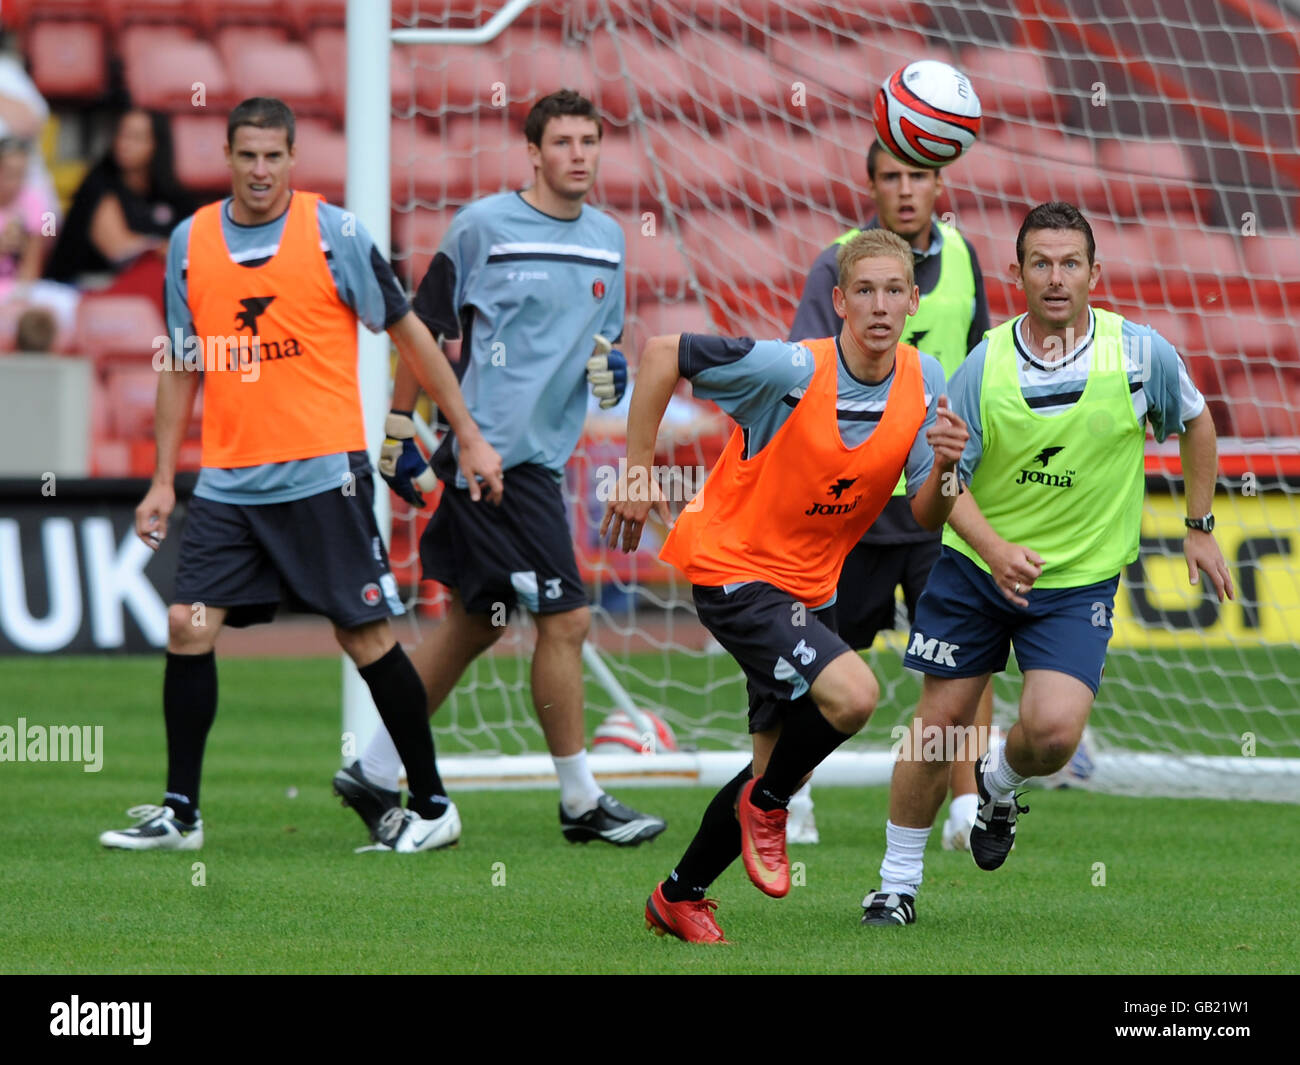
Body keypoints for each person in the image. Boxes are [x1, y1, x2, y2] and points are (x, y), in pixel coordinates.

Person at [99, 97, 503, 854]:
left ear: (293, 157)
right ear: (226, 154)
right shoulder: (189, 243)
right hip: (226, 481)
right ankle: (180, 813)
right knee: (187, 627)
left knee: (366, 638)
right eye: (247, 155)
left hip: (323, 476)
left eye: (273, 156)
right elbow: (182, 366)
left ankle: (433, 804)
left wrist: (467, 435)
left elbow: (407, 331)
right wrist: (161, 480)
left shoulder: (334, 232)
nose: (260, 170)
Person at [859, 201, 1233, 926]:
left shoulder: (1138, 354)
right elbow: (930, 508)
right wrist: (988, 540)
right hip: (975, 570)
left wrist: (1199, 525)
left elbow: (1195, 421)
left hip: (1075, 582)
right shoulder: (984, 365)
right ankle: (895, 883)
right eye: (1040, 263)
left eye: (1069, 263)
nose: (1055, 278)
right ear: (1016, 273)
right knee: (939, 724)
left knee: (1055, 735)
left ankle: (996, 782)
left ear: (1095, 272)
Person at [602, 229, 969, 943]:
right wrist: (641, 469)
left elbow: (927, 509)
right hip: (735, 568)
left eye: (895, 290)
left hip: (812, 586)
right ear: (838, 301)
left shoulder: (927, 381)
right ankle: (765, 806)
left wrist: (951, 468)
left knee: (775, 765)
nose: (881, 305)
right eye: (864, 290)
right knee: (856, 694)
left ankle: (680, 893)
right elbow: (659, 355)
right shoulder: (791, 368)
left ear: (914, 300)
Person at [335, 89, 666, 848]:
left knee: (476, 624)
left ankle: (376, 769)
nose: (579, 154)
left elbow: (596, 345)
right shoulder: (482, 227)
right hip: (493, 464)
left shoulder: (611, 240)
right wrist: (398, 427)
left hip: (539, 461)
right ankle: (581, 799)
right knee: (570, 618)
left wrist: (605, 367)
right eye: (564, 142)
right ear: (534, 152)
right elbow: (422, 328)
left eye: (590, 140)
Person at [787, 138, 993, 850]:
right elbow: (805, 373)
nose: (906, 189)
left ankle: (967, 805)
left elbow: (983, 366)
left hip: (938, 501)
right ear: (870, 183)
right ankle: (792, 792)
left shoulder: (965, 258)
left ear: (940, 181)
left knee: (964, 655)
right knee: (818, 661)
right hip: (852, 510)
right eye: (891, 176)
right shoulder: (836, 260)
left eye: (919, 175)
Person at [45, 108, 193, 287]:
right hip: (84, 285)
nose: (125, 144)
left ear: (157, 144)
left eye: (137, 138)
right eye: (122, 135)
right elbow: (118, 249)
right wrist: (160, 247)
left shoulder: (172, 194)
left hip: (150, 287)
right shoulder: (97, 183)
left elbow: (192, 245)